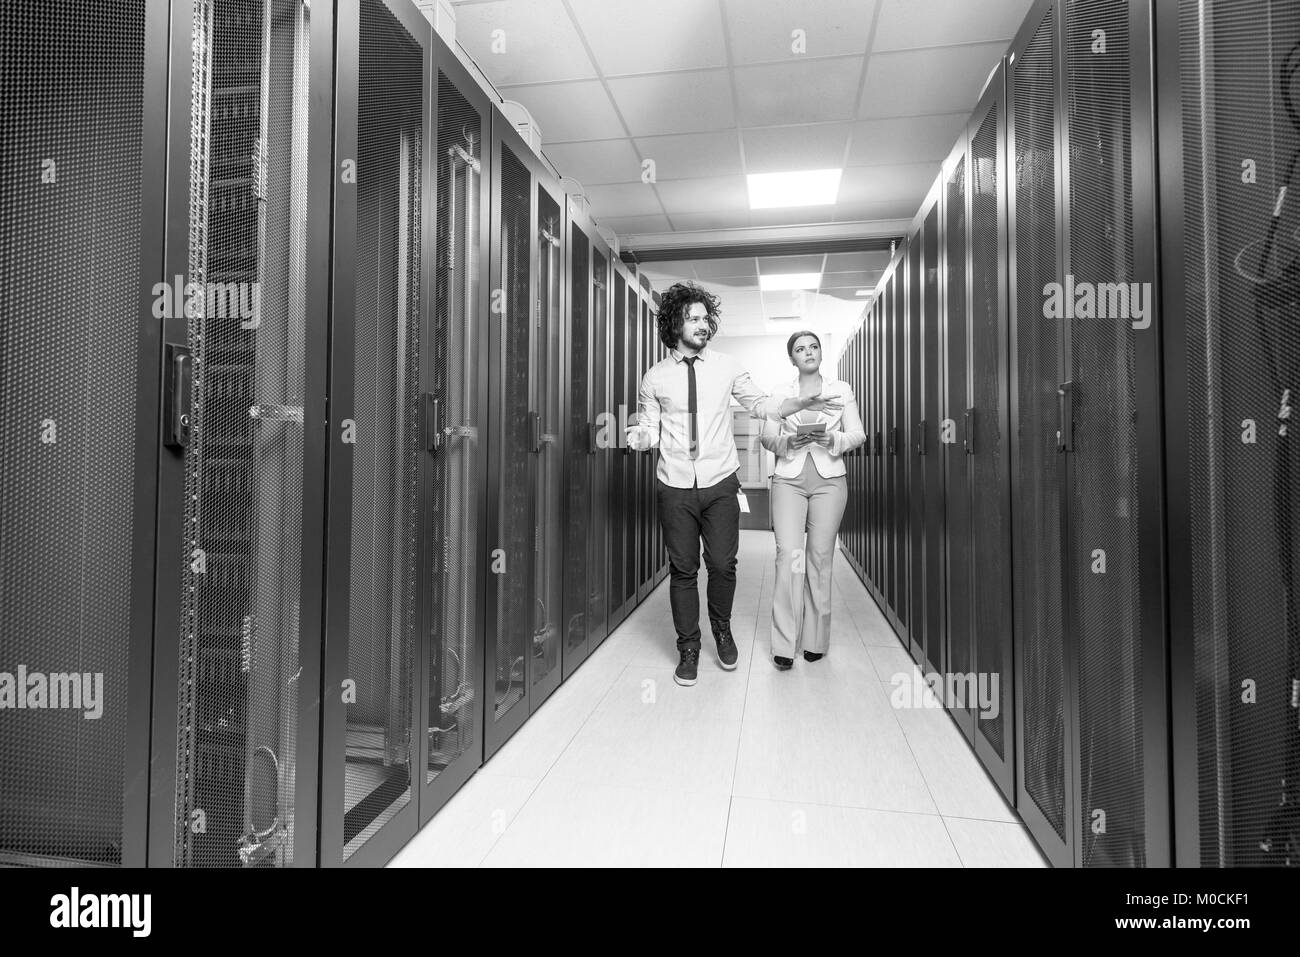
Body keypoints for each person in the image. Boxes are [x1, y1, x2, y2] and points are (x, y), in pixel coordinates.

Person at [626, 283, 841, 686]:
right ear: (675, 324)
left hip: (721, 481)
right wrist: (637, 436)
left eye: (705, 318)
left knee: (723, 565)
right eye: (693, 318)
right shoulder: (654, 377)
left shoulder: (727, 366)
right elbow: (650, 430)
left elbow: (761, 405)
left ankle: (721, 630)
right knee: (682, 569)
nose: (702, 324)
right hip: (674, 484)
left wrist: (801, 402)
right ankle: (688, 647)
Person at [759, 330, 866, 670]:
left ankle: (815, 641)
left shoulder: (841, 390)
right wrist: (788, 442)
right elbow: (766, 436)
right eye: (800, 349)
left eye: (813, 347)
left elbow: (858, 433)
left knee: (819, 559)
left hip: (829, 480)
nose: (808, 352)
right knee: (788, 556)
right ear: (792, 358)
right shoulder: (780, 394)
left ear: (821, 353)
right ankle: (783, 643)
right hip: (789, 480)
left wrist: (832, 438)